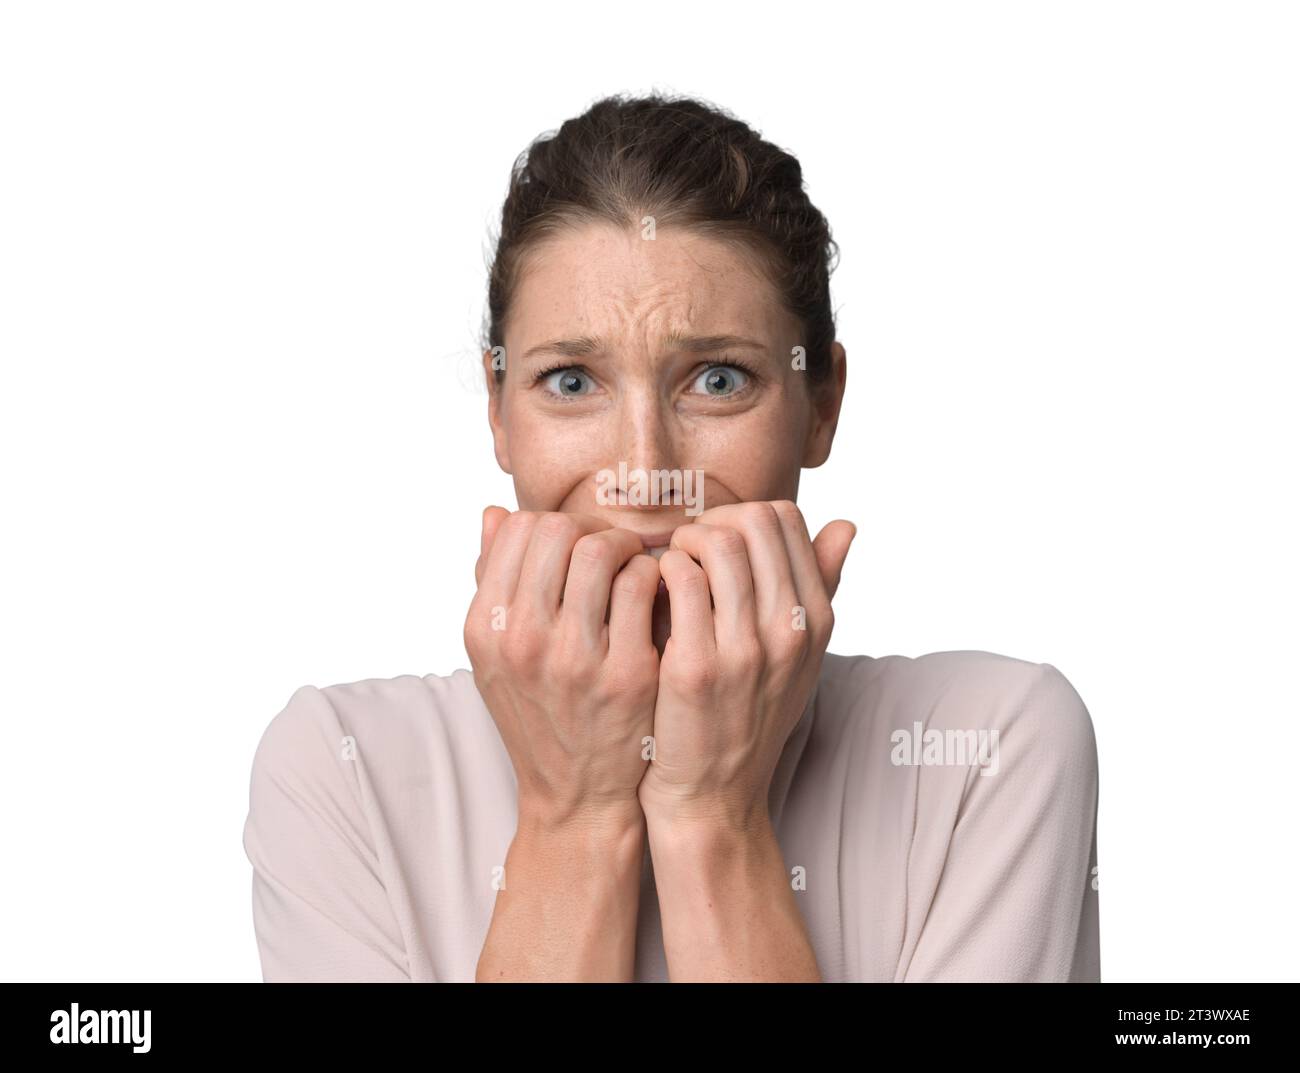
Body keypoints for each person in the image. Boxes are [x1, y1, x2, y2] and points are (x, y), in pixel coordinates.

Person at [241, 92, 1100, 982]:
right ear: (498, 412)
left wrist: (710, 816)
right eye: (572, 382)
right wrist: (573, 814)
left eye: (718, 378)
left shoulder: (994, 749)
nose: (646, 470)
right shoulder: (337, 773)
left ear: (822, 406)